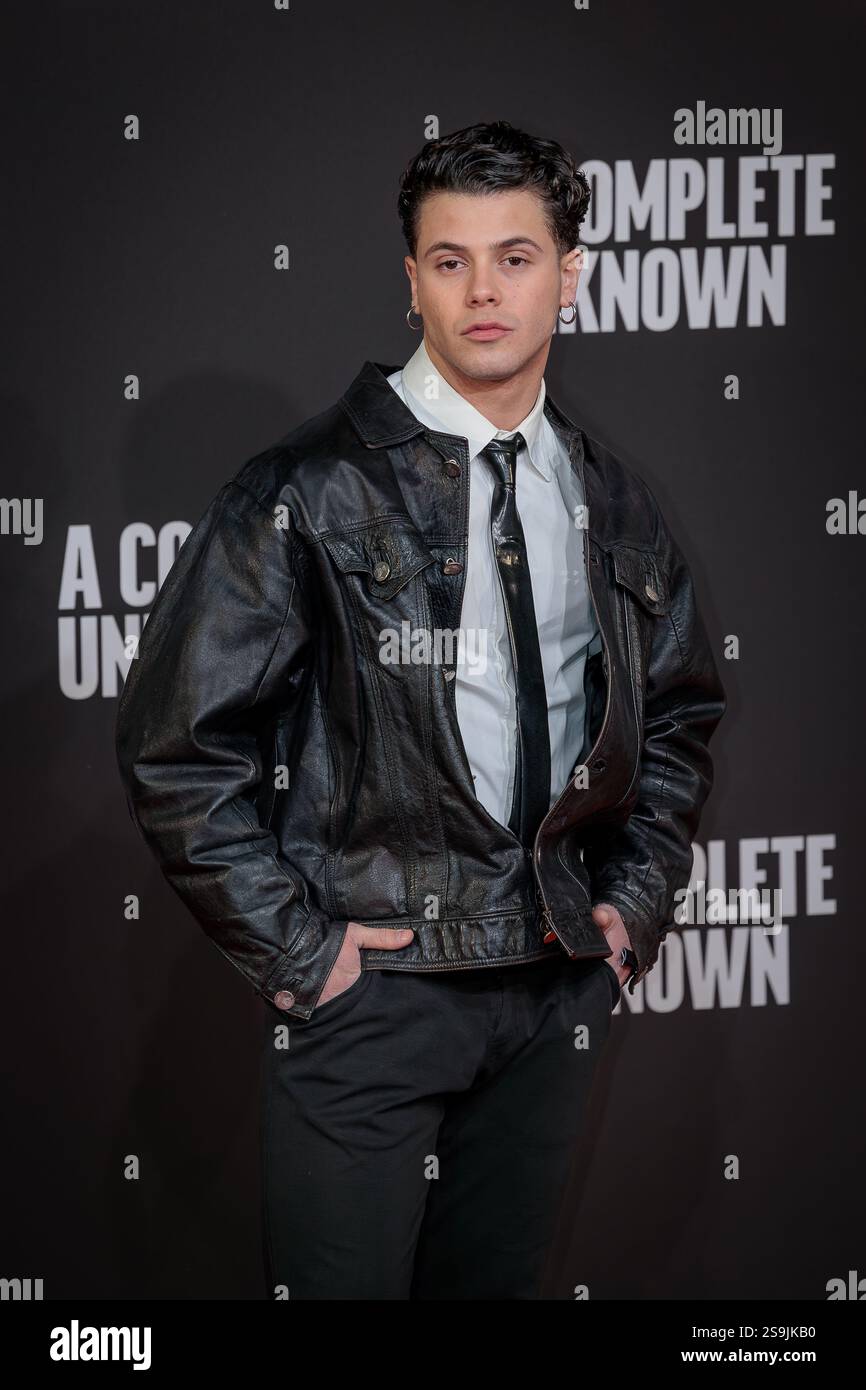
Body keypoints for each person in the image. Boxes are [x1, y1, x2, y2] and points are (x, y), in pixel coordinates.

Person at [115, 119, 726, 1300]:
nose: (483, 290)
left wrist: (628, 907)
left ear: (569, 274)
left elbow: (678, 718)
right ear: (411, 280)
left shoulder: (611, 500)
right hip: (373, 1000)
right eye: (450, 260)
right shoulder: (305, 489)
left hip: (550, 985)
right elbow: (174, 747)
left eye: (514, 257)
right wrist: (302, 953)